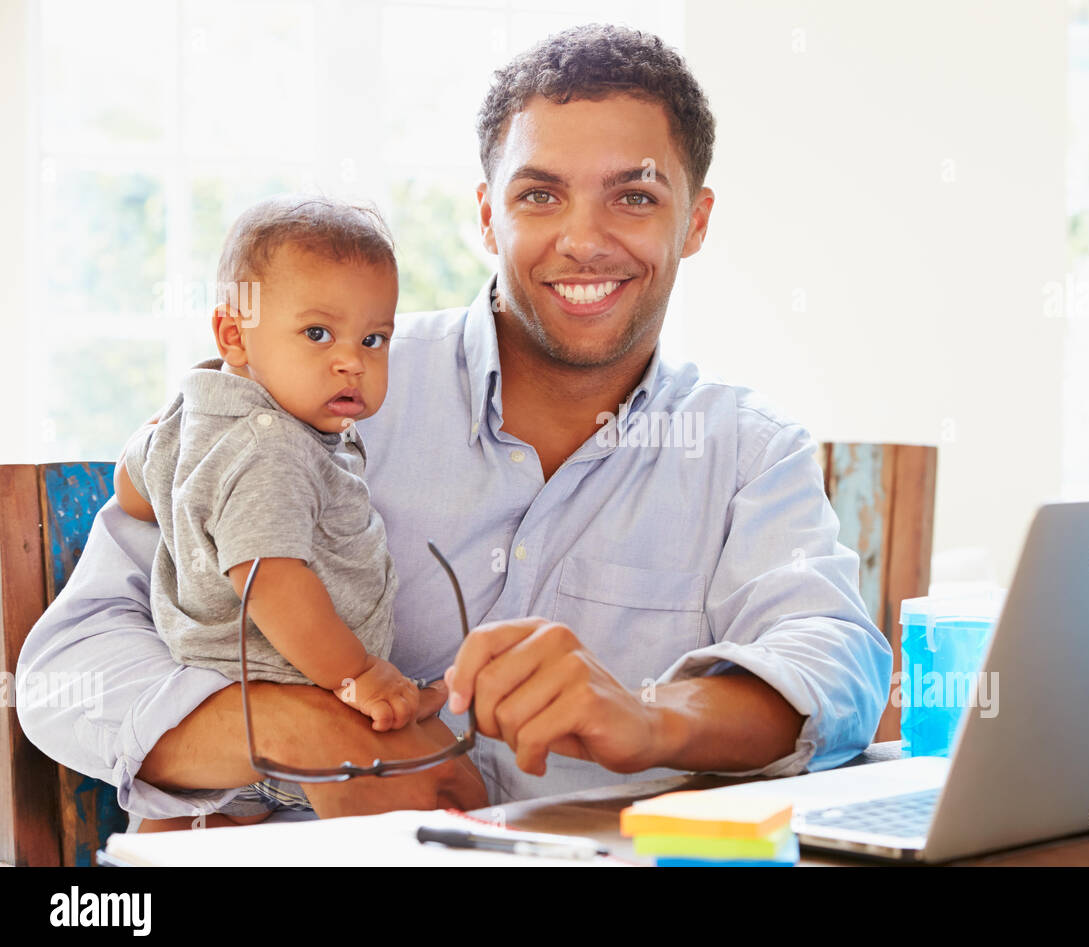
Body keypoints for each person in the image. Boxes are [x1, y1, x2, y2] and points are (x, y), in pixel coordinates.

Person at [17, 23, 893, 819]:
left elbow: (841, 667)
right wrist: (313, 732)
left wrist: (652, 716)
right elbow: (66, 674)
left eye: (633, 197)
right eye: (540, 196)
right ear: (486, 213)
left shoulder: (746, 449)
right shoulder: (310, 393)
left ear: (695, 221)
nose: (582, 240)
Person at [111, 197, 482, 828]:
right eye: (317, 334)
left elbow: (130, 488)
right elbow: (270, 579)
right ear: (234, 335)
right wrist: (357, 674)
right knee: (460, 793)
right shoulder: (271, 447)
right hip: (295, 698)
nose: (352, 361)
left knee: (179, 834)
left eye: (374, 339)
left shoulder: (190, 413)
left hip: (212, 711)